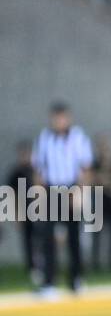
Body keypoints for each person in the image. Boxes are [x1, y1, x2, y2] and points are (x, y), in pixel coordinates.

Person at [33, 101, 94, 296]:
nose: (59, 121)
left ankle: (75, 280)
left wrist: (80, 192)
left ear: (68, 118)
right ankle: (49, 283)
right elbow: (39, 170)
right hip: (51, 190)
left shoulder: (77, 137)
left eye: (62, 117)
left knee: (74, 238)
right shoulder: (45, 138)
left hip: (72, 189)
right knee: (48, 238)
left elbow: (85, 168)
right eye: (56, 118)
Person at [5, 141, 40, 283]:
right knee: (28, 241)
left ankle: (43, 266)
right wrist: (16, 215)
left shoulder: (37, 171)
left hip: (39, 210)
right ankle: (32, 269)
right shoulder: (15, 173)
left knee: (41, 240)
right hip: (24, 212)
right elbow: (10, 194)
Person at [89, 135, 111, 273]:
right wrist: (104, 179)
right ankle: (95, 263)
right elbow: (92, 181)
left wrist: (103, 179)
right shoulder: (94, 164)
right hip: (97, 201)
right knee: (96, 234)